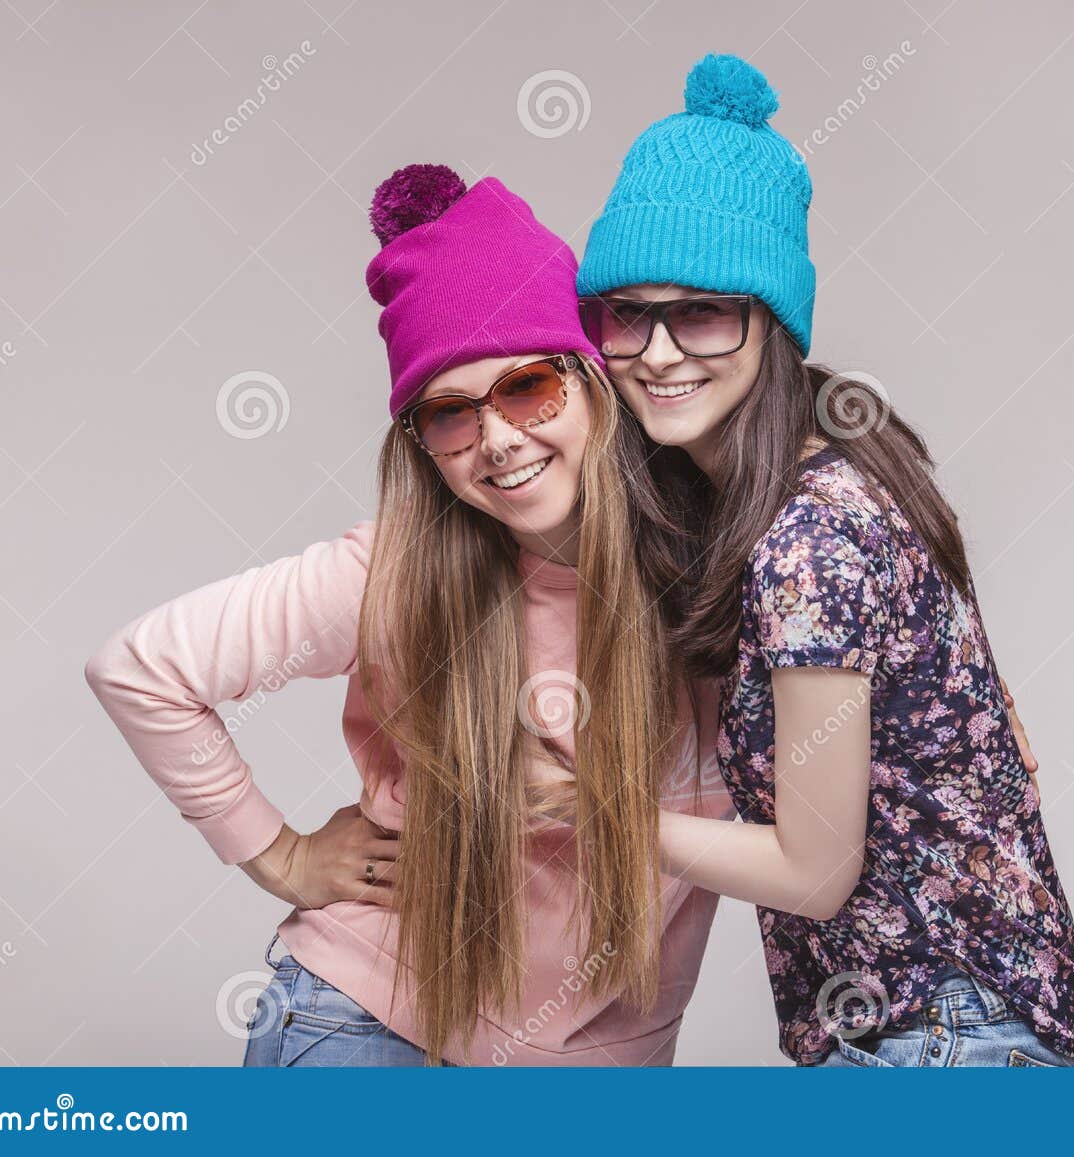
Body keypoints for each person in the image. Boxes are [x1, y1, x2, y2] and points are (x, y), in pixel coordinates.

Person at [84, 163, 732, 1067]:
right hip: (371, 1031)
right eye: (451, 414)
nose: (498, 439)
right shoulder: (392, 574)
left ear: (594, 381)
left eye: (528, 386)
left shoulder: (725, 570)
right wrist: (279, 855)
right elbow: (140, 666)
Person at [574, 53, 1074, 1067]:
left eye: (703, 310)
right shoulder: (833, 462)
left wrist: (591, 815)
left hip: (940, 1043)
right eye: (627, 312)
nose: (658, 351)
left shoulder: (806, 540)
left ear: (772, 322)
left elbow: (814, 873)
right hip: (966, 1029)